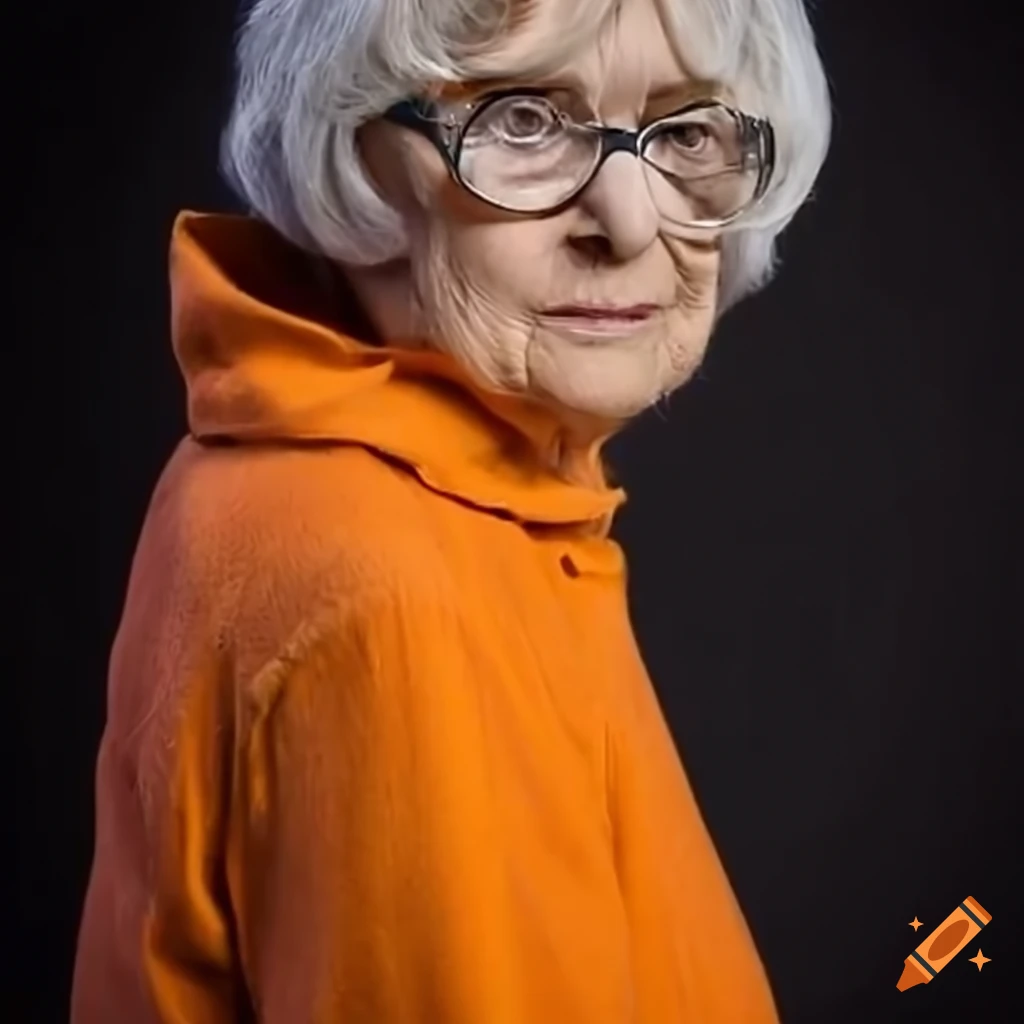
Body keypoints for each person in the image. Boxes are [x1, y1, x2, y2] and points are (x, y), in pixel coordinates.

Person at [71, 0, 831, 1020]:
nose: (631, 220)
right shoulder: (392, 584)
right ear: (357, 153)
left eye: (687, 130)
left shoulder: (387, 486)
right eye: (524, 119)